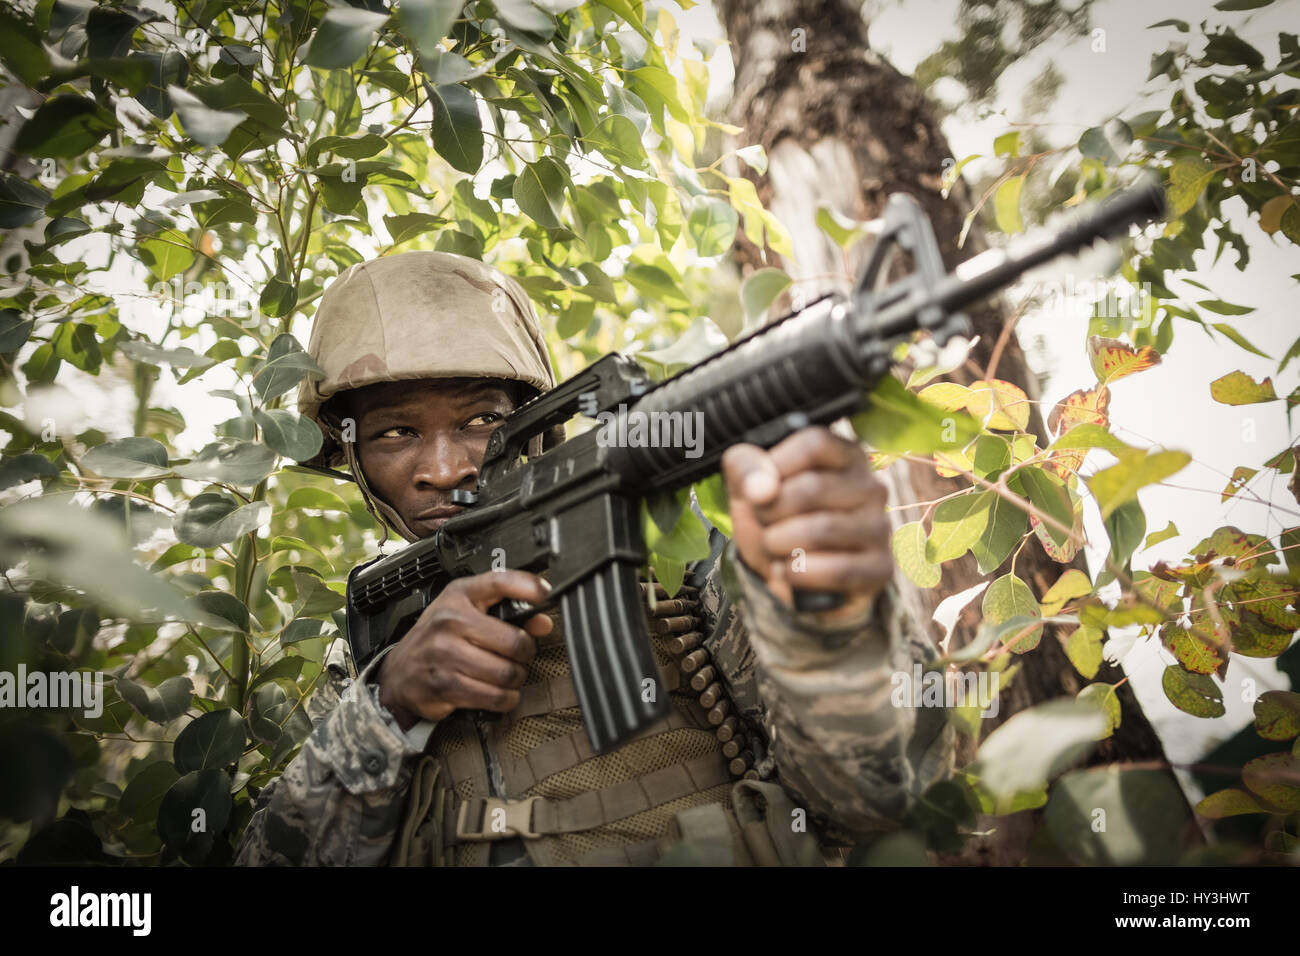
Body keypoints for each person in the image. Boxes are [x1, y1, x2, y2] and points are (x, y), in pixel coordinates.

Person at [234, 251, 953, 866]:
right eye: (395, 433)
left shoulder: (673, 557)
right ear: (350, 456)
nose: (445, 467)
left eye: (482, 419)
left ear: (536, 419)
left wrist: (830, 619)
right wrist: (389, 704)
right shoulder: (374, 644)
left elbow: (886, 799)